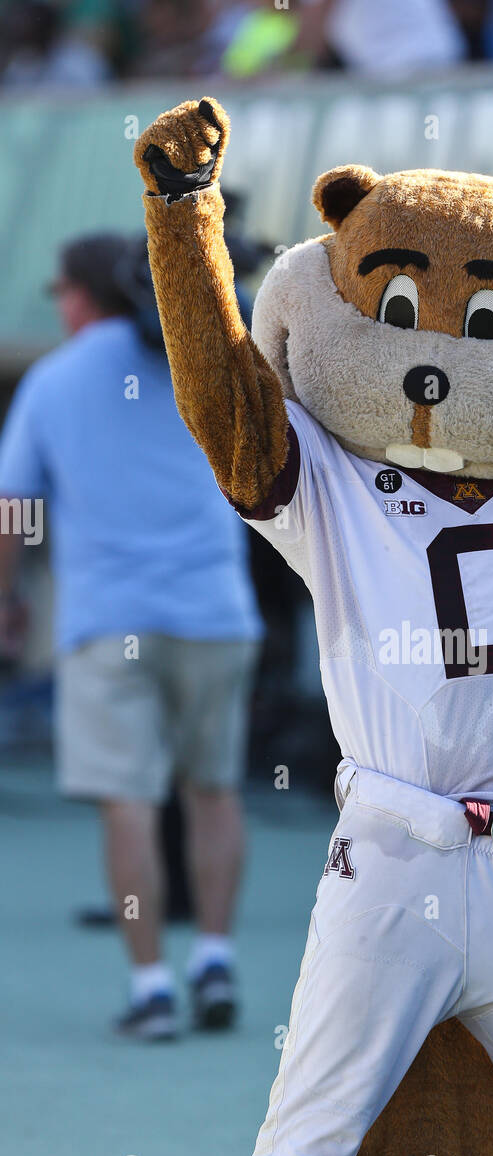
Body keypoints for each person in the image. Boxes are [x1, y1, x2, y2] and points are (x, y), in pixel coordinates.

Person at [0, 232, 262, 1040]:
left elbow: (15, 507)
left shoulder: (53, 379)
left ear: (82, 295)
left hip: (105, 622)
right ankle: (213, 956)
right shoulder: (205, 365)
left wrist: (7, 595)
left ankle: (151, 987)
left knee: (130, 805)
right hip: (217, 612)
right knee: (213, 792)